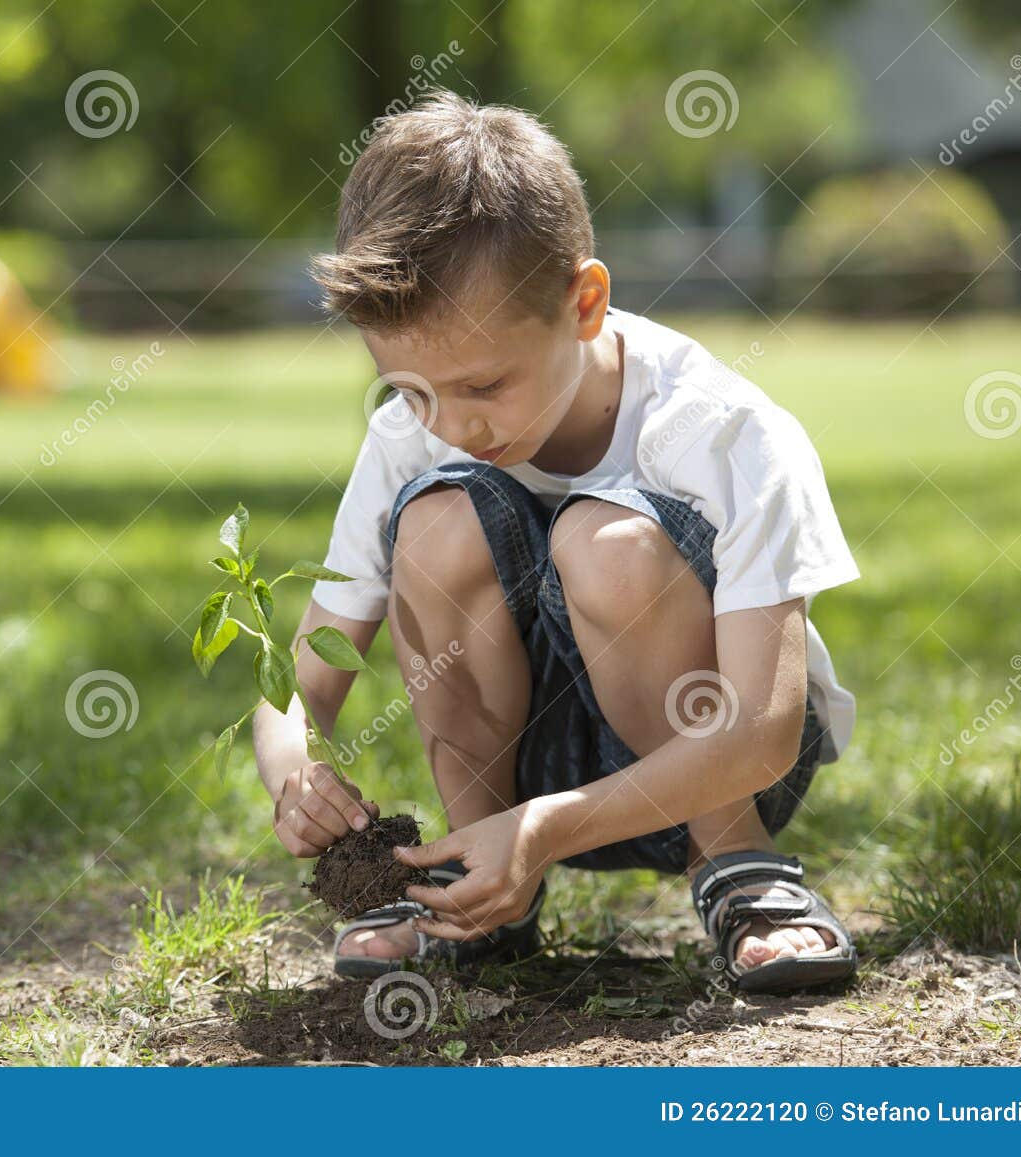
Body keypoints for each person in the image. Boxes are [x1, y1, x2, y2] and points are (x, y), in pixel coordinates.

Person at [250, 91, 859, 993]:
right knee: (435, 521)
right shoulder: (412, 435)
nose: (450, 425)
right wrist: (294, 772)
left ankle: (738, 866)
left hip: (714, 763)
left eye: (484, 384)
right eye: (414, 392)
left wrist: (546, 831)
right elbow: (298, 683)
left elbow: (764, 733)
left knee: (605, 542)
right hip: (518, 781)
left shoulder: (722, 430)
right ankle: (479, 885)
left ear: (584, 301)